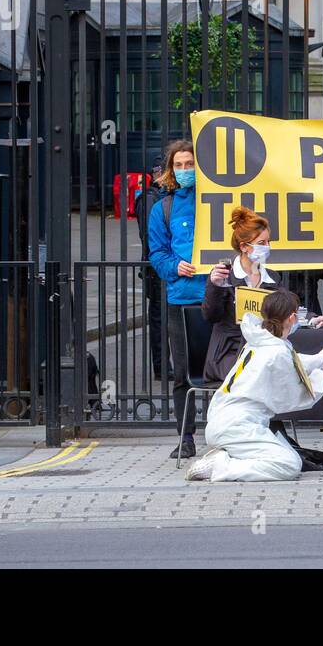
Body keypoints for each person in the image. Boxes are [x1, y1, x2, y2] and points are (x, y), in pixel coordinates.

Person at [185, 290, 323, 483]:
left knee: (284, 454)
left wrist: (321, 359)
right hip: (238, 425)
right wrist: (321, 376)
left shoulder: (258, 342)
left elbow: (291, 364)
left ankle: (226, 456)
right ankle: (222, 465)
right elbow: (292, 398)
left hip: (224, 421)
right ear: (292, 317)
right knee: (289, 464)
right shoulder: (276, 350)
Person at [202, 206, 323, 384]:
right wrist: (215, 286)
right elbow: (211, 315)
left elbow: (287, 309)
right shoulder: (225, 275)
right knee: (263, 371)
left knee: (279, 367)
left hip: (262, 350)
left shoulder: (272, 277)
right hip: (228, 353)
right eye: (262, 243)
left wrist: (312, 319)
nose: (267, 247)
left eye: (268, 242)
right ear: (244, 247)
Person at [147, 139, 211, 460]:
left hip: (217, 299)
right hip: (181, 299)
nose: (186, 170)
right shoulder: (163, 209)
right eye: (180, 165)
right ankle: (185, 438)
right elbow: (157, 255)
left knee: (221, 371)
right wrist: (175, 266)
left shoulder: (218, 202)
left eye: (191, 165)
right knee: (183, 373)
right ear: (171, 170)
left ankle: (221, 432)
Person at [134, 158, 168, 380]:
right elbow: (149, 236)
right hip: (156, 267)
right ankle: (161, 366)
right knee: (159, 316)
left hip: (169, 265)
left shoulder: (168, 197)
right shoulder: (149, 198)